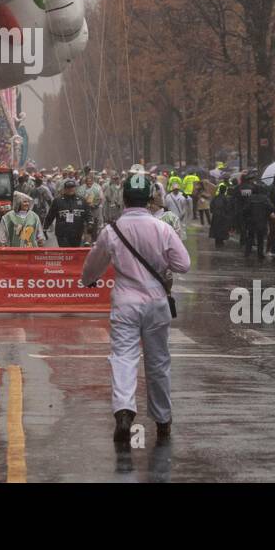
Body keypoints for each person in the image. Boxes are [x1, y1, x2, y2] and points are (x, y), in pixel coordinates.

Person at [81, 171, 190, 444]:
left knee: (123, 358)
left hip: (125, 303)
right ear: (150, 199)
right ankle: (163, 419)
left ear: (125, 198)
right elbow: (183, 264)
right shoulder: (162, 228)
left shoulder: (112, 230)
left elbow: (92, 267)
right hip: (156, 302)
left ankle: (124, 411)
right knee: (158, 362)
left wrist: (89, 280)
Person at [43, 179, 87, 247]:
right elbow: (50, 215)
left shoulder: (82, 200)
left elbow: (87, 213)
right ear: (65, 189)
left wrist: (90, 223)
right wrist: (45, 227)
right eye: (68, 188)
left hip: (77, 232)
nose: (70, 189)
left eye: (72, 187)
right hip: (62, 233)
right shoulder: (57, 201)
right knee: (65, 253)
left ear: (75, 188)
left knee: (75, 253)